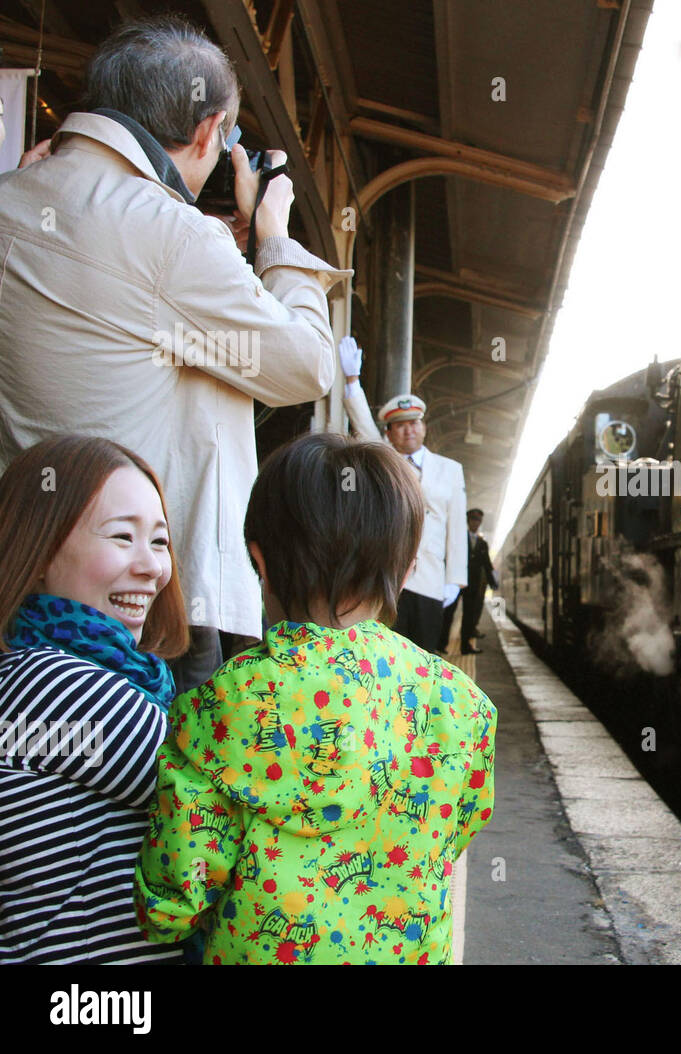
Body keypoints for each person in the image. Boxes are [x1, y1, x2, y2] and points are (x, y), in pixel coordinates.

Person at [0, 15, 348, 692]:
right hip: (151, 603)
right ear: (208, 130)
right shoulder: (174, 236)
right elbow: (305, 365)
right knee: (152, 791)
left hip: (23, 577)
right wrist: (275, 241)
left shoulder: (13, 200)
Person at [134, 433, 495, 965]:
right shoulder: (465, 705)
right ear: (410, 566)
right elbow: (459, 827)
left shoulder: (222, 706)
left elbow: (172, 904)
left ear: (260, 561)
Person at [0, 436, 189, 964]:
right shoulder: (46, 683)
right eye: (122, 536)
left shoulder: (118, 681)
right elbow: (223, 781)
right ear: (37, 551)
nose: (152, 567)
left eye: (159, 541)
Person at [338, 337, 468, 655]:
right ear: (389, 433)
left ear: (424, 427)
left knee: (424, 658)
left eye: (414, 423)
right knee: (384, 657)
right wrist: (352, 381)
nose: (408, 430)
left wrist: (456, 580)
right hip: (386, 580)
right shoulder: (384, 459)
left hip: (431, 582)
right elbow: (362, 424)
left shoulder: (450, 469)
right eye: (399, 425)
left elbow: (456, 528)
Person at [440, 508, 497, 654]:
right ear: (468, 521)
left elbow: (487, 565)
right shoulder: (457, 539)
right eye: (473, 520)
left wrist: (493, 582)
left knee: (469, 616)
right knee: (448, 614)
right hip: (456, 582)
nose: (475, 523)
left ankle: (465, 647)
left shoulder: (482, 544)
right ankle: (441, 644)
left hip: (472, 585)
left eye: (478, 520)